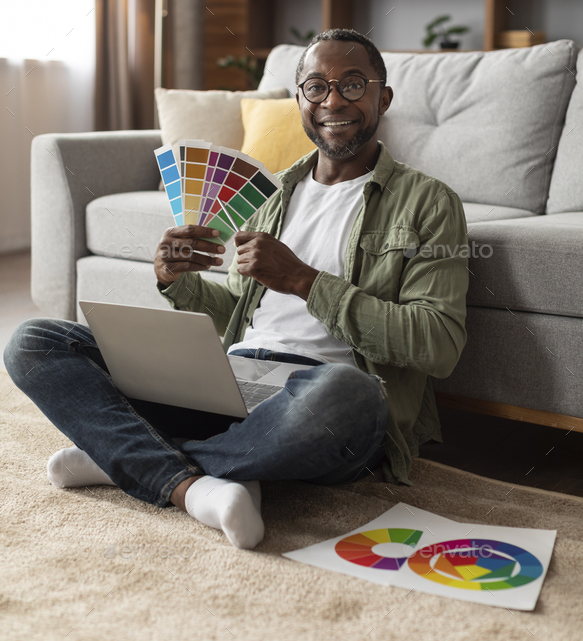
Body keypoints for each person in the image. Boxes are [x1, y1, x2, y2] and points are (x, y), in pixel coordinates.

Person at [5, 29, 469, 551]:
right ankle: (200, 479)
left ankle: (128, 460)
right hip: (226, 382)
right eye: (316, 87)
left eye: (353, 84)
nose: (333, 100)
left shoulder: (429, 203)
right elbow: (236, 314)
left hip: (313, 400)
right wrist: (176, 282)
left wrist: (304, 280)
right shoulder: (271, 196)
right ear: (300, 101)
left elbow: (438, 344)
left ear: (383, 98)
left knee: (352, 394)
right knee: (35, 341)